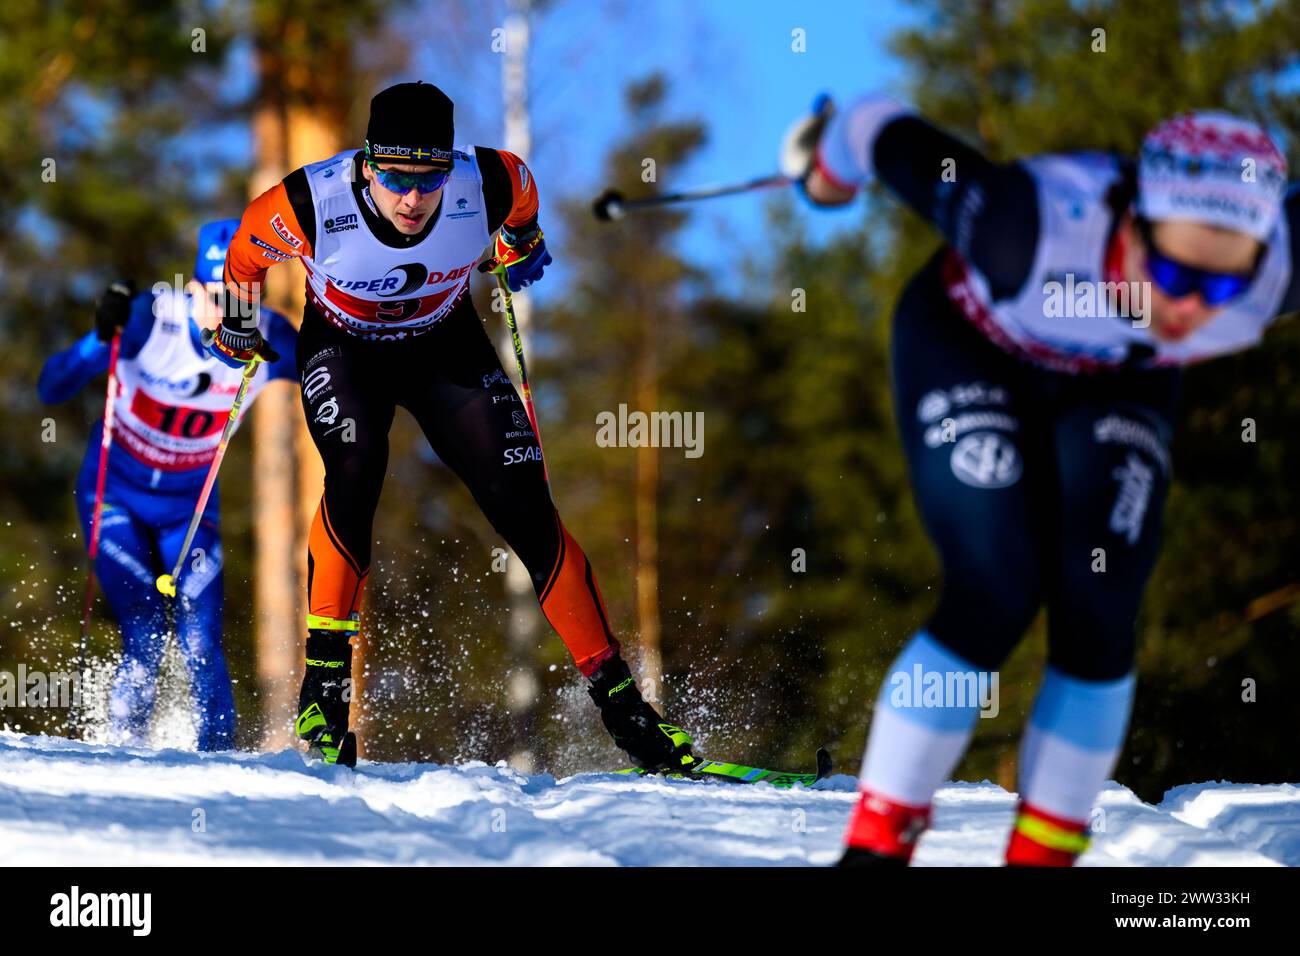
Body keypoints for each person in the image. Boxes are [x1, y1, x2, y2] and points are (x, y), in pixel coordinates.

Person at [782, 98, 1298, 865]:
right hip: (972, 348)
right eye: (1172, 271)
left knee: (1102, 605)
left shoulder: (1282, 267)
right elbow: (872, 126)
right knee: (996, 587)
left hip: (1120, 383)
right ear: (1131, 222)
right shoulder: (1022, 224)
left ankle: (1044, 855)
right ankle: (877, 847)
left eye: (1222, 289)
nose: (1190, 306)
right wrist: (826, 171)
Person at [208, 81, 696, 770]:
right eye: (397, 177)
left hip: (443, 344)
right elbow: (243, 258)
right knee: (356, 465)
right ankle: (323, 691)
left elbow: (523, 201)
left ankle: (627, 713)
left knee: (528, 509)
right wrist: (235, 324)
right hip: (344, 350)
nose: (413, 198)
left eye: (430, 177)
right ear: (367, 162)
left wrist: (524, 244)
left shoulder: (489, 181)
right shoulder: (308, 203)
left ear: (450, 167)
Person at [38, 221, 298, 750]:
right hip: (115, 499)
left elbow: (349, 369)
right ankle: (123, 749)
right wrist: (99, 338)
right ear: (194, 290)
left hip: (190, 511)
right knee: (146, 631)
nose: (234, 314)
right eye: (221, 298)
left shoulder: (271, 338)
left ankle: (220, 762)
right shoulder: (150, 321)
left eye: (247, 299)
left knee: (202, 638)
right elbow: (52, 385)